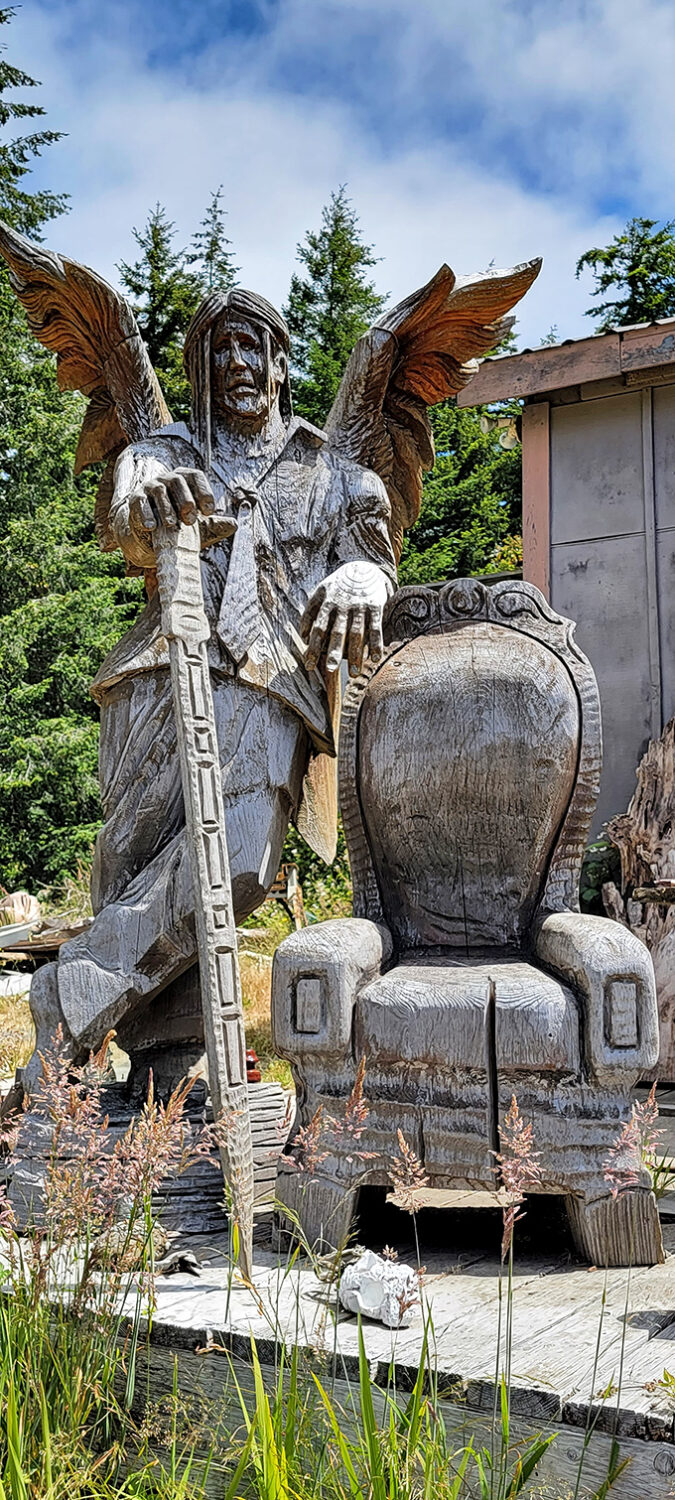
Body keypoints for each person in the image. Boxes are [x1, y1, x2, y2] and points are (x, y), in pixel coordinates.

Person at [25, 287, 396, 1091]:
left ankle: (67, 995)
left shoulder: (335, 475)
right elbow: (130, 507)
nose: (236, 361)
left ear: (281, 361)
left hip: (270, 684)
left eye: (251, 345)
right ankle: (167, 1071)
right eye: (219, 347)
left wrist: (365, 578)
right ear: (198, 365)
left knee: (242, 860)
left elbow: (371, 557)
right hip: (158, 678)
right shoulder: (166, 452)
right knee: (134, 864)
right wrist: (150, 511)